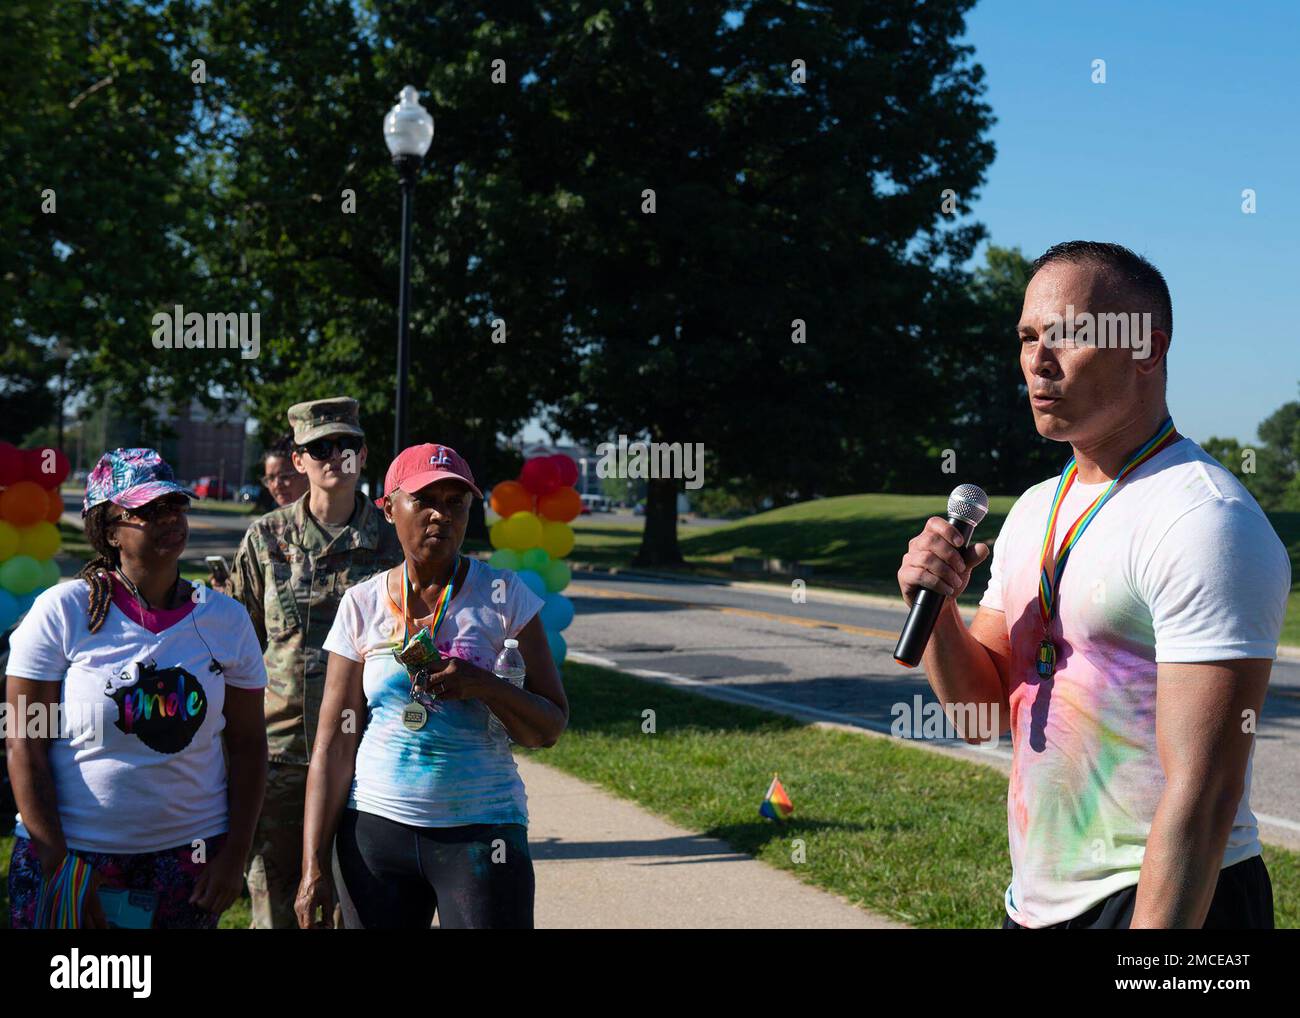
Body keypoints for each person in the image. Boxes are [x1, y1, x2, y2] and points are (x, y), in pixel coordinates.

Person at [897, 241, 1290, 929]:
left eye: (1068, 335)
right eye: (1026, 338)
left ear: (1146, 349)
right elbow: (981, 718)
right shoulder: (1033, 510)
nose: (1037, 362)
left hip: (1175, 904)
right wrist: (938, 613)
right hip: (1039, 905)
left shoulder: (1203, 520)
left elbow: (1204, 795)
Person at [295, 443, 568, 930]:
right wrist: (313, 863)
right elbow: (333, 743)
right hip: (375, 833)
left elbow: (547, 728)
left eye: (456, 502)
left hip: (483, 831)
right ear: (389, 508)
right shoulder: (362, 603)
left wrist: (485, 685)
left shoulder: (505, 598)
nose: (441, 515)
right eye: (424, 500)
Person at [4, 448, 267, 928]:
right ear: (109, 530)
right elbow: (23, 741)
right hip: (72, 855)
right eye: (147, 511)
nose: (169, 518)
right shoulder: (62, 612)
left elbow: (249, 746)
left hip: (187, 861)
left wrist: (234, 855)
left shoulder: (225, 619)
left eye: (175, 505)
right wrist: (59, 866)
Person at [228, 397, 402, 929]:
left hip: (369, 758)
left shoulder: (395, 541)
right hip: (279, 756)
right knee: (278, 910)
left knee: (362, 906)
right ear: (298, 461)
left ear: (363, 456)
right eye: (318, 447)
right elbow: (236, 648)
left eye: (346, 445)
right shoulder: (265, 538)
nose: (334, 456)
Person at [260, 433, 310, 509]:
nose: (276, 485)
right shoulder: (271, 520)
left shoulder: (327, 517)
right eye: (270, 478)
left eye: (284, 476)